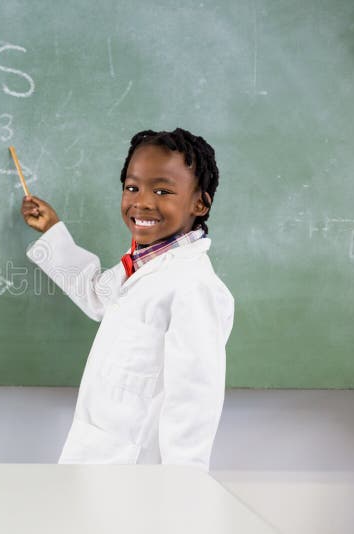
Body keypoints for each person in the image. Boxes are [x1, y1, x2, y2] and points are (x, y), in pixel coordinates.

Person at [21, 128, 234, 470]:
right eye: (132, 187)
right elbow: (98, 296)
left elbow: (194, 400)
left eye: (162, 190)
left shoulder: (194, 286)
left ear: (200, 202)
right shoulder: (141, 263)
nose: (142, 202)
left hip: (136, 471)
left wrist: (186, 486)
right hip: (96, 456)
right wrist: (53, 232)